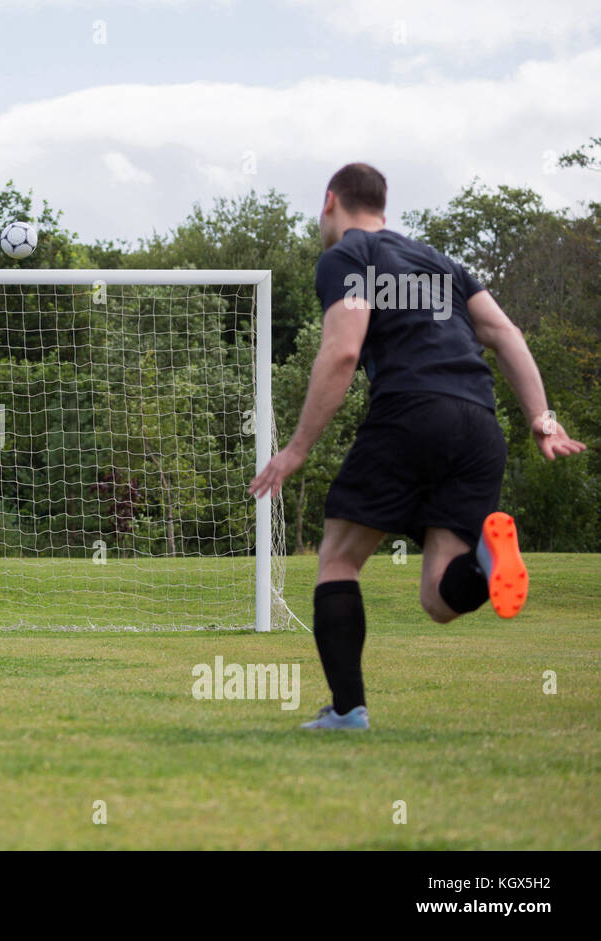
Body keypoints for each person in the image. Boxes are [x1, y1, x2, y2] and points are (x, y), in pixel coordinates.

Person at [249, 163, 586, 730]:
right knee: (437, 598)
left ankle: (348, 709)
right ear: (383, 205)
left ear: (330, 201)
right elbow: (506, 334)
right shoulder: (442, 263)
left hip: (411, 410)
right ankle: (486, 559)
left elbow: (341, 352)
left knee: (337, 558)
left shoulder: (347, 257)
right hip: (479, 422)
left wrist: (298, 447)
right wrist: (543, 420)